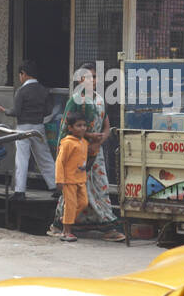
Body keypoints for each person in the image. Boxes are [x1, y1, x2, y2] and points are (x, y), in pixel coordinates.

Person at [48, 62, 127, 242]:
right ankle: (61, 225)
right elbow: (68, 128)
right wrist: (89, 137)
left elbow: (106, 125)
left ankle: (107, 227)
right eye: (89, 77)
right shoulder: (75, 100)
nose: (93, 80)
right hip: (77, 153)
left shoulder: (99, 99)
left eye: (95, 76)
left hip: (95, 153)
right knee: (72, 189)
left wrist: (100, 141)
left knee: (100, 188)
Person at [0, 60, 58, 200]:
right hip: (38, 127)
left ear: (23, 74)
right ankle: (55, 187)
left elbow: (16, 111)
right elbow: (48, 110)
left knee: (22, 158)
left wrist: (5, 111)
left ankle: (20, 191)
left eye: (20, 75)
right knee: (45, 157)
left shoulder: (21, 91)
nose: (20, 78)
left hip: (23, 128)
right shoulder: (43, 90)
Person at [55, 110, 89, 242]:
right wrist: (59, 180)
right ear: (70, 128)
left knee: (83, 203)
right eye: (79, 125)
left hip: (80, 179)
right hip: (69, 180)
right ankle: (66, 231)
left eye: (84, 125)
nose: (82, 128)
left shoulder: (83, 142)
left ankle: (65, 220)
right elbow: (60, 162)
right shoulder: (68, 143)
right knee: (70, 204)